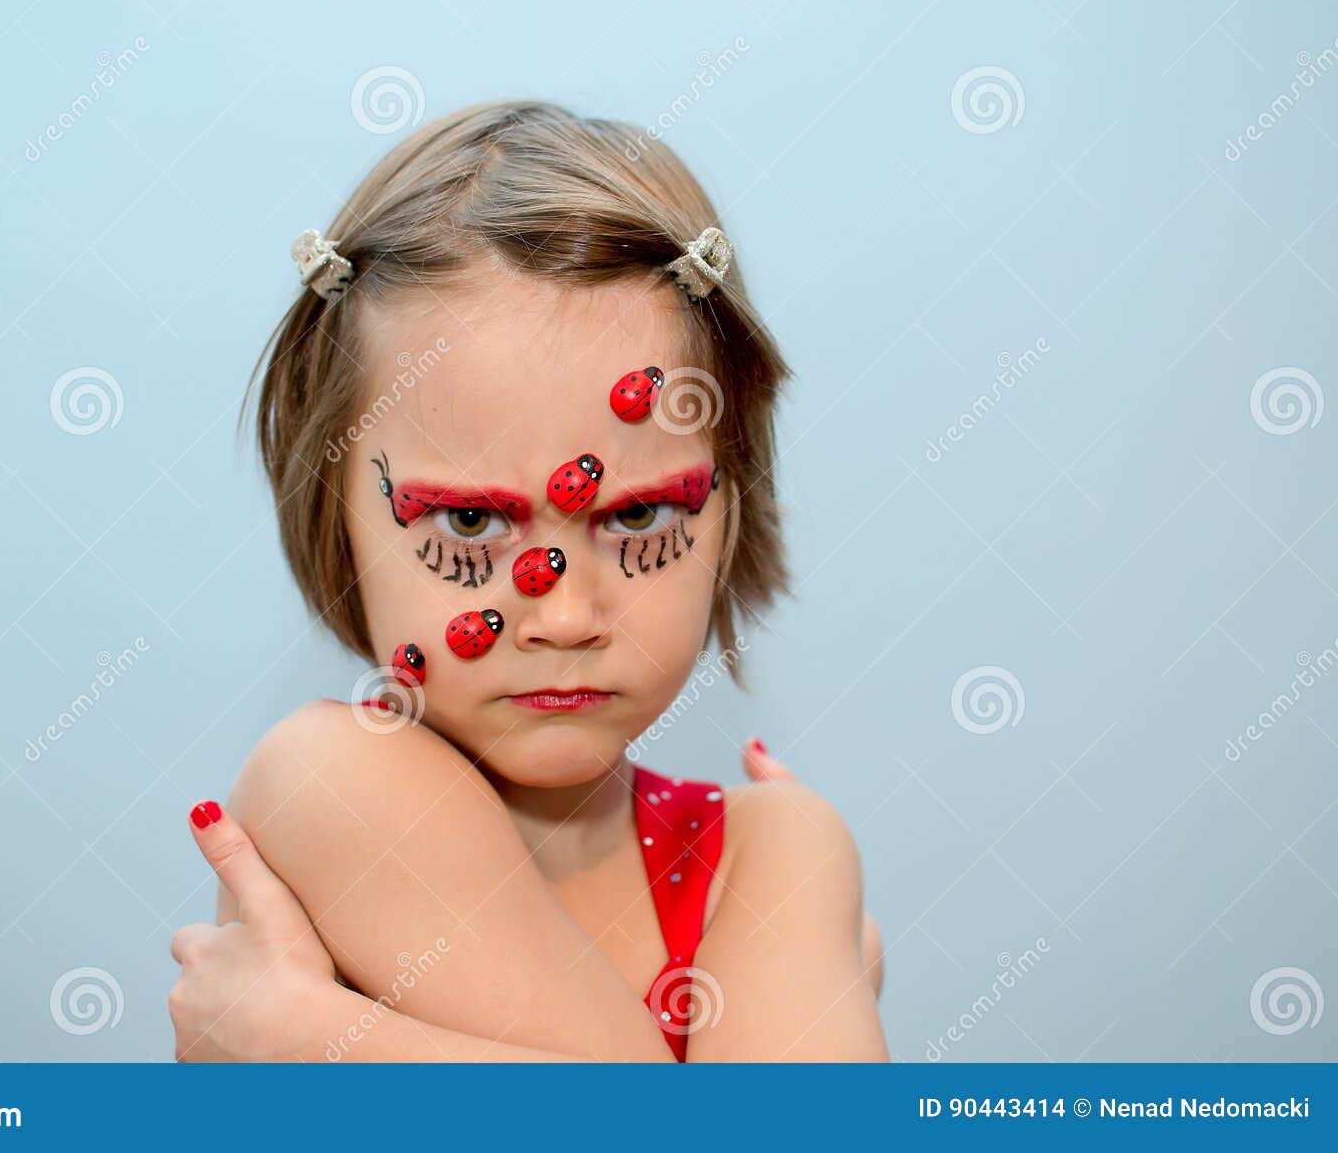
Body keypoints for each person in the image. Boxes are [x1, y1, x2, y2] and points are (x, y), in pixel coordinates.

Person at [168, 99, 888, 1061]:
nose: (565, 614)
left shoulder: (777, 853)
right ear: (332, 511)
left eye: (637, 514)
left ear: (733, 505)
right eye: (468, 521)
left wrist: (322, 1041)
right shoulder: (335, 782)